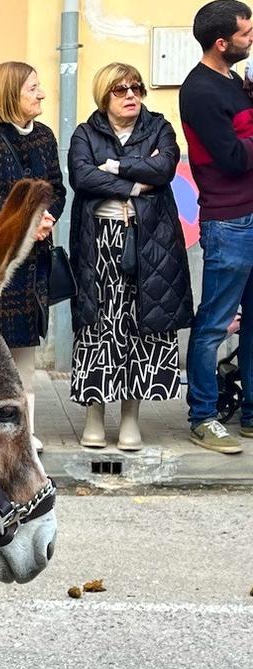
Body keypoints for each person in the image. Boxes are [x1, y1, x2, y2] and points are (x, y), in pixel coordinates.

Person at [68, 63, 191, 451]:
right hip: (98, 241)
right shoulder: (85, 133)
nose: (131, 95)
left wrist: (118, 166)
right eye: (120, 90)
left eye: (136, 88)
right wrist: (139, 184)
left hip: (149, 239)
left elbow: (165, 167)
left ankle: (130, 419)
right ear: (104, 96)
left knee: (141, 326)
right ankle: (92, 416)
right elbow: (82, 177)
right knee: (98, 326)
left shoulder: (160, 127)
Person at [0, 61, 65, 452]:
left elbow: (57, 189)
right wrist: (25, 219)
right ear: (10, 94)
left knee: (25, 353)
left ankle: (24, 433)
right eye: (32, 88)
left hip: (32, 261)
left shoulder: (44, 137)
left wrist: (45, 219)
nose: (40, 94)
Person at [181, 0, 253, 453]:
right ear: (221, 42)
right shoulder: (201, 91)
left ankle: (251, 416)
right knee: (213, 324)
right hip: (230, 221)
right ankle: (203, 416)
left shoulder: (233, 83)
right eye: (246, 34)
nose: (252, 39)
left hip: (249, 214)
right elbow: (231, 159)